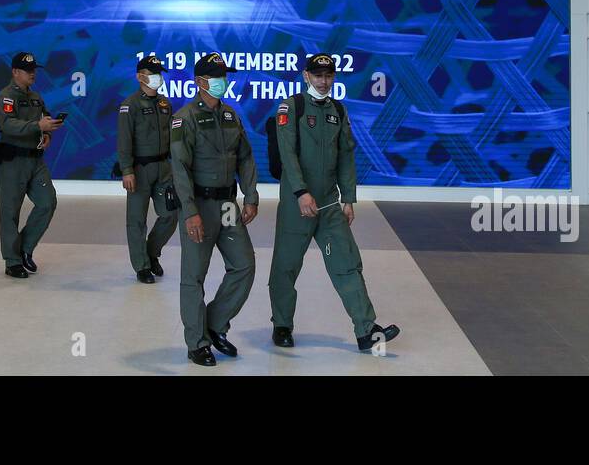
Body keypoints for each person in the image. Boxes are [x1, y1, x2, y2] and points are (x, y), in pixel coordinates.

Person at [268, 53, 400, 352]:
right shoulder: (292, 107)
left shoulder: (338, 111)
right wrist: (301, 192)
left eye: (328, 75)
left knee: (347, 263)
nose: (324, 81)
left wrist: (349, 197)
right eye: (318, 75)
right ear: (306, 76)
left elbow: (345, 157)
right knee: (286, 267)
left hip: (329, 204)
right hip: (296, 202)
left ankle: (366, 330)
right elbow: (288, 155)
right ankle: (282, 325)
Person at [169, 52, 259, 366]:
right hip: (199, 205)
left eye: (225, 76)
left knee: (244, 264)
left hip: (227, 206)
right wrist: (190, 211)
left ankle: (214, 325)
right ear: (199, 81)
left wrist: (251, 195)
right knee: (194, 276)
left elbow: (246, 157)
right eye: (217, 77)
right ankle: (196, 343)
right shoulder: (185, 118)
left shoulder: (231, 116)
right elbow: (179, 167)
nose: (224, 82)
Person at [0, 52, 62, 278]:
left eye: (34, 69)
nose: (32, 73)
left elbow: (45, 119)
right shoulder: (5, 98)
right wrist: (37, 126)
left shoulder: (36, 97)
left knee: (47, 202)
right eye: (27, 70)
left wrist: (49, 132)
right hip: (13, 161)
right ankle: (12, 261)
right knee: (10, 212)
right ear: (15, 72)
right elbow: (8, 125)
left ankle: (24, 248)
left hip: (35, 159)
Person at [117, 55, 177, 284]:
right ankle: (141, 266)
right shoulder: (129, 106)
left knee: (171, 213)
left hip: (163, 167)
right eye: (152, 73)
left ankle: (151, 252)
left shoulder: (164, 104)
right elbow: (124, 140)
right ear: (139, 76)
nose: (156, 77)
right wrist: (126, 170)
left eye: (158, 73)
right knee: (136, 220)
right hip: (139, 169)